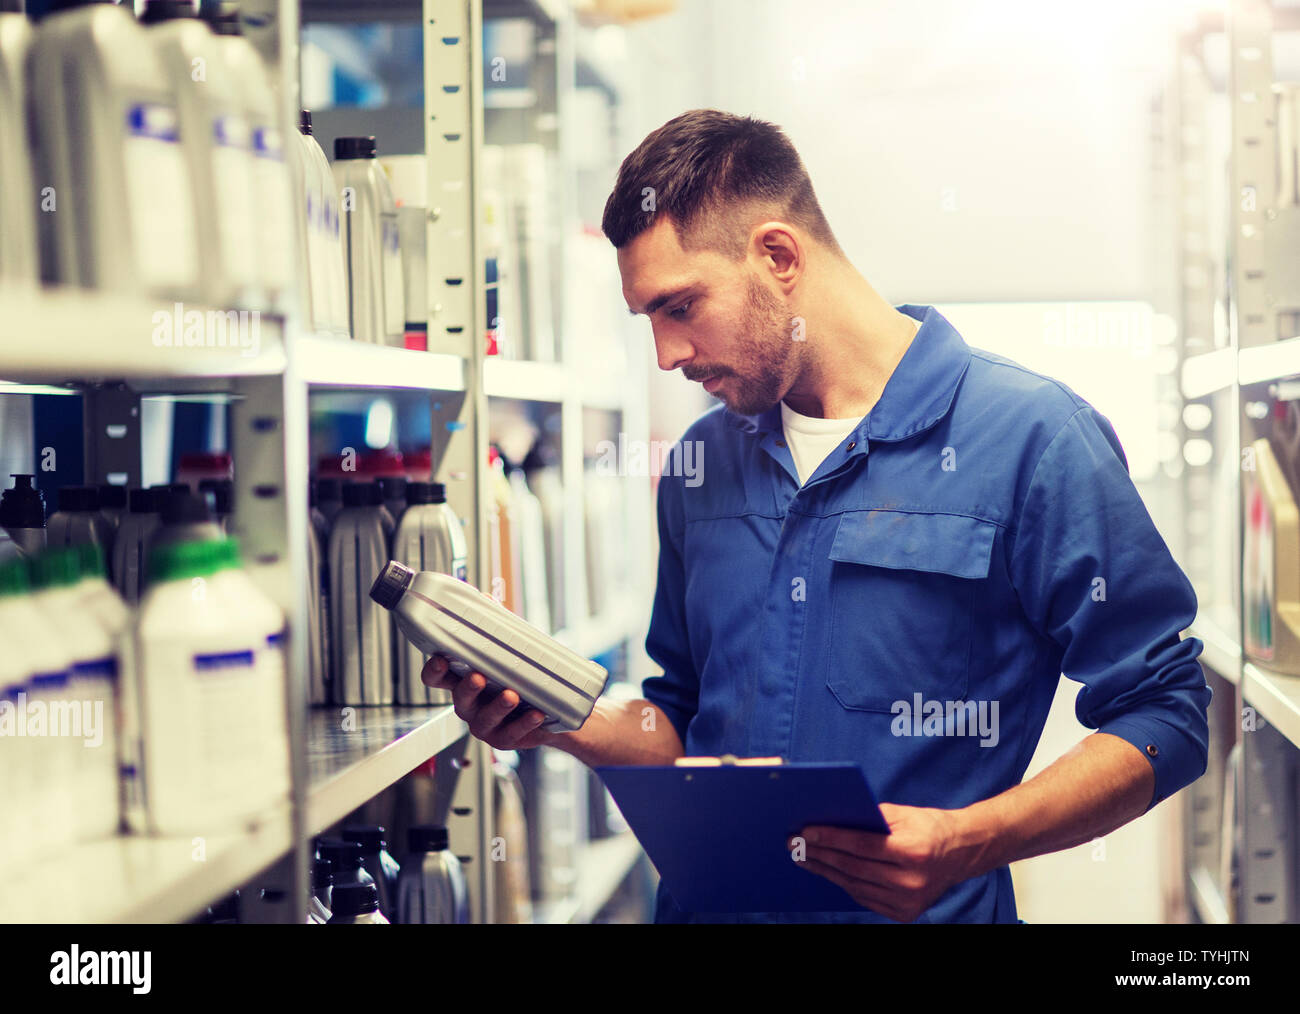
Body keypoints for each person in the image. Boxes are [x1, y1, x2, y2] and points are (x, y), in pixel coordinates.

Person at [422, 108, 1211, 924]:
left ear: (778, 255)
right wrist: (560, 718)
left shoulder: (1033, 440)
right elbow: (683, 721)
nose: (666, 354)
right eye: (647, 320)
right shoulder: (702, 468)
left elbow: (1168, 711)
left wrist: (970, 840)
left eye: (680, 306)